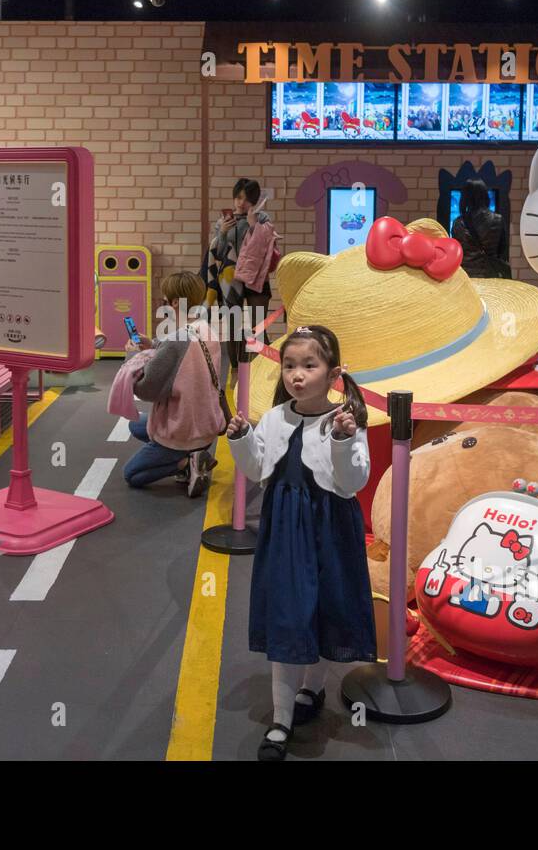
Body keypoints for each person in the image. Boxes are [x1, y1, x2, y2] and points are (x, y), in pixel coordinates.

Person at [225, 325, 376, 761]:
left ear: (333, 374)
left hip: (332, 528)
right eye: (290, 365)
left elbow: (351, 484)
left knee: (327, 608)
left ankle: (313, 689)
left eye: (309, 365)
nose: (297, 374)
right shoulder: (275, 417)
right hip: (286, 529)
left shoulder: (345, 419)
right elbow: (256, 471)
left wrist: (345, 441)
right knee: (289, 615)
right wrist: (240, 439)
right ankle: (280, 721)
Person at [122, 272, 222, 497]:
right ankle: (196, 455)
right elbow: (183, 354)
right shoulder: (207, 330)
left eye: (165, 301)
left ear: (176, 303)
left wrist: (131, 358)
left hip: (183, 432)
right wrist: (154, 344)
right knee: (134, 425)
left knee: (132, 475)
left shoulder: (177, 341)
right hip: (206, 423)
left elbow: (146, 389)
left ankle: (186, 463)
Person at [213, 178, 274, 377]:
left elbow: (266, 246)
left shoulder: (262, 217)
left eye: (247, 199)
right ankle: (235, 370)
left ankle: (263, 371)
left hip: (257, 279)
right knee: (233, 327)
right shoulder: (223, 221)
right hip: (232, 280)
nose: (241, 203)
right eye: (238, 197)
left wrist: (253, 225)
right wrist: (222, 233)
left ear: (254, 201)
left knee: (259, 326)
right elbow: (219, 254)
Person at [450, 179, 511, 279]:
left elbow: (455, 253)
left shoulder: (458, 223)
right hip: (491, 275)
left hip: (466, 277)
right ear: (485, 195)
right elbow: (502, 252)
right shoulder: (498, 220)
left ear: (465, 197)